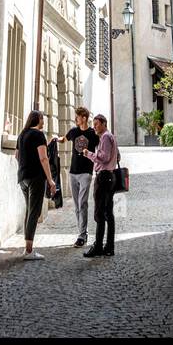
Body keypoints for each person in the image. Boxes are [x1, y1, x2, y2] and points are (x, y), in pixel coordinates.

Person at [16, 109, 56, 260]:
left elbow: (17, 155)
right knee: (34, 212)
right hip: (36, 178)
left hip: (23, 177)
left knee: (30, 211)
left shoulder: (22, 134)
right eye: (42, 118)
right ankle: (28, 251)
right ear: (37, 119)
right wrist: (51, 180)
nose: (43, 121)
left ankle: (27, 247)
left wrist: (25, 166)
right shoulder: (39, 135)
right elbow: (43, 158)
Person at [80, 113, 118, 258]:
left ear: (103, 123)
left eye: (96, 124)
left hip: (103, 177)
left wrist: (89, 154)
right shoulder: (111, 136)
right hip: (110, 176)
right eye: (94, 124)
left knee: (99, 213)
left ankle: (98, 247)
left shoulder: (105, 137)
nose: (94, 127)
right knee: (108, 213)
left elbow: (104, 157)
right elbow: (117, 156)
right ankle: (109, 247)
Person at [64, 106, 99, 248]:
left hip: (86, 172)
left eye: (77, 116)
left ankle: (82, 235)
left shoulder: (92, 134)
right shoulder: (73, 131)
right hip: (72, 172)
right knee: (77, 205)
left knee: (82, 203)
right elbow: (63, 139)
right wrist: (55, 140)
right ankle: (82, 232)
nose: (75, 119)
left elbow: (102, 144)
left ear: (83, 118)